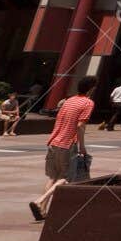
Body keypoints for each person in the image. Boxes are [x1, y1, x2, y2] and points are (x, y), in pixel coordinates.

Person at [30, 76, 96, 221]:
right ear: (91, 88)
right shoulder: (88, 103)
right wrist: (82, 147)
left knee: (53, 177)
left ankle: (42, 210)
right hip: (68, 144)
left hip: (54, 142)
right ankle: (40, 200)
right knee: (65, 177)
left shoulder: (69, 101)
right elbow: (80, 126)